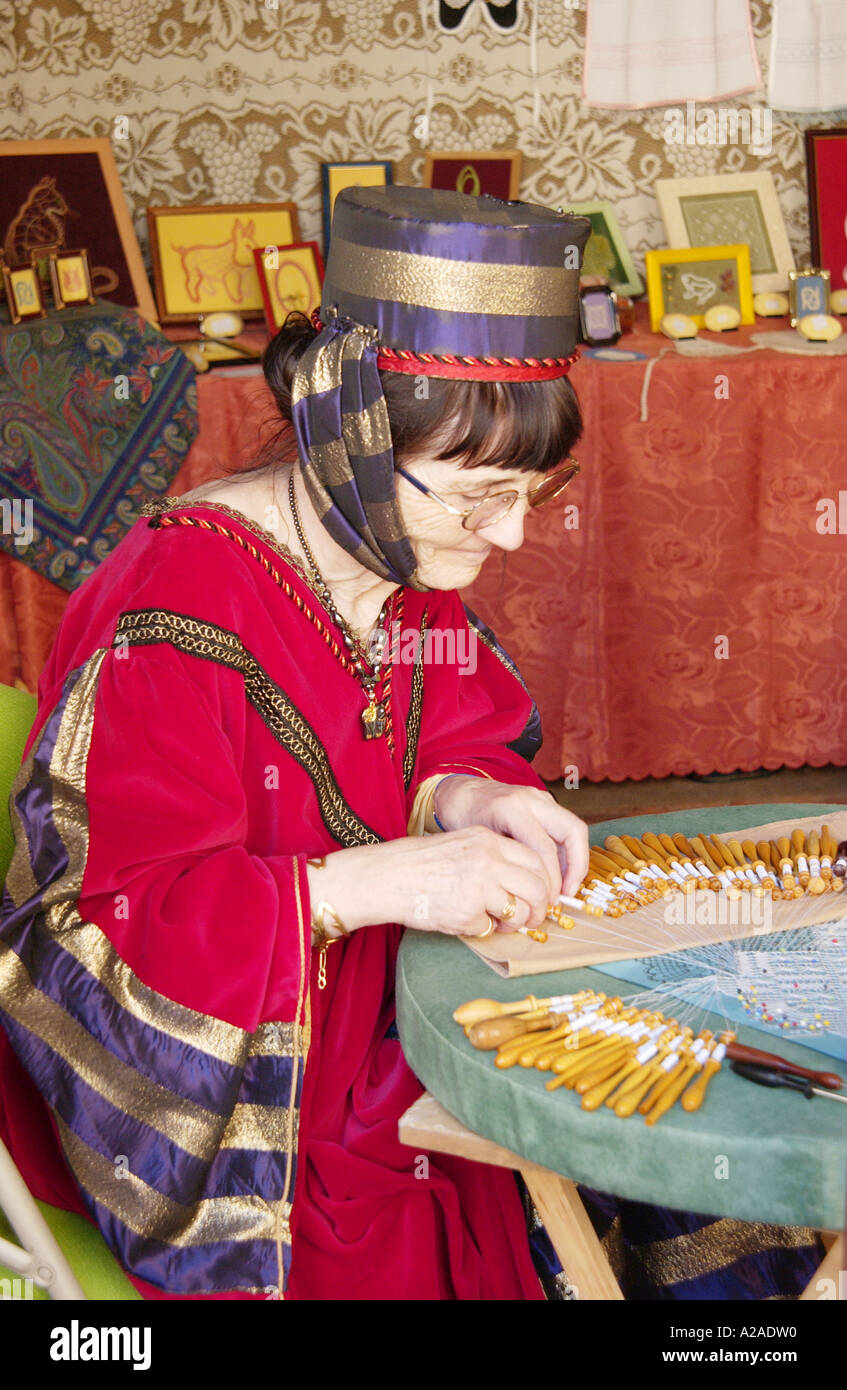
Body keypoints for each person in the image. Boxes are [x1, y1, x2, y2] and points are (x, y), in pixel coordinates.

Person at [0, 187, 594, 1299]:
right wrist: (362, 885)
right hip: (259, 1079)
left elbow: (443, 734)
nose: (510, 535)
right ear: (352, 440)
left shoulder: (392, 549)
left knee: (640, 1086)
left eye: (535, 493)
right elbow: (95, 933)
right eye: (479, 497)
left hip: (393, 997)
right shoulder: (172, 610)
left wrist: (469, 798)